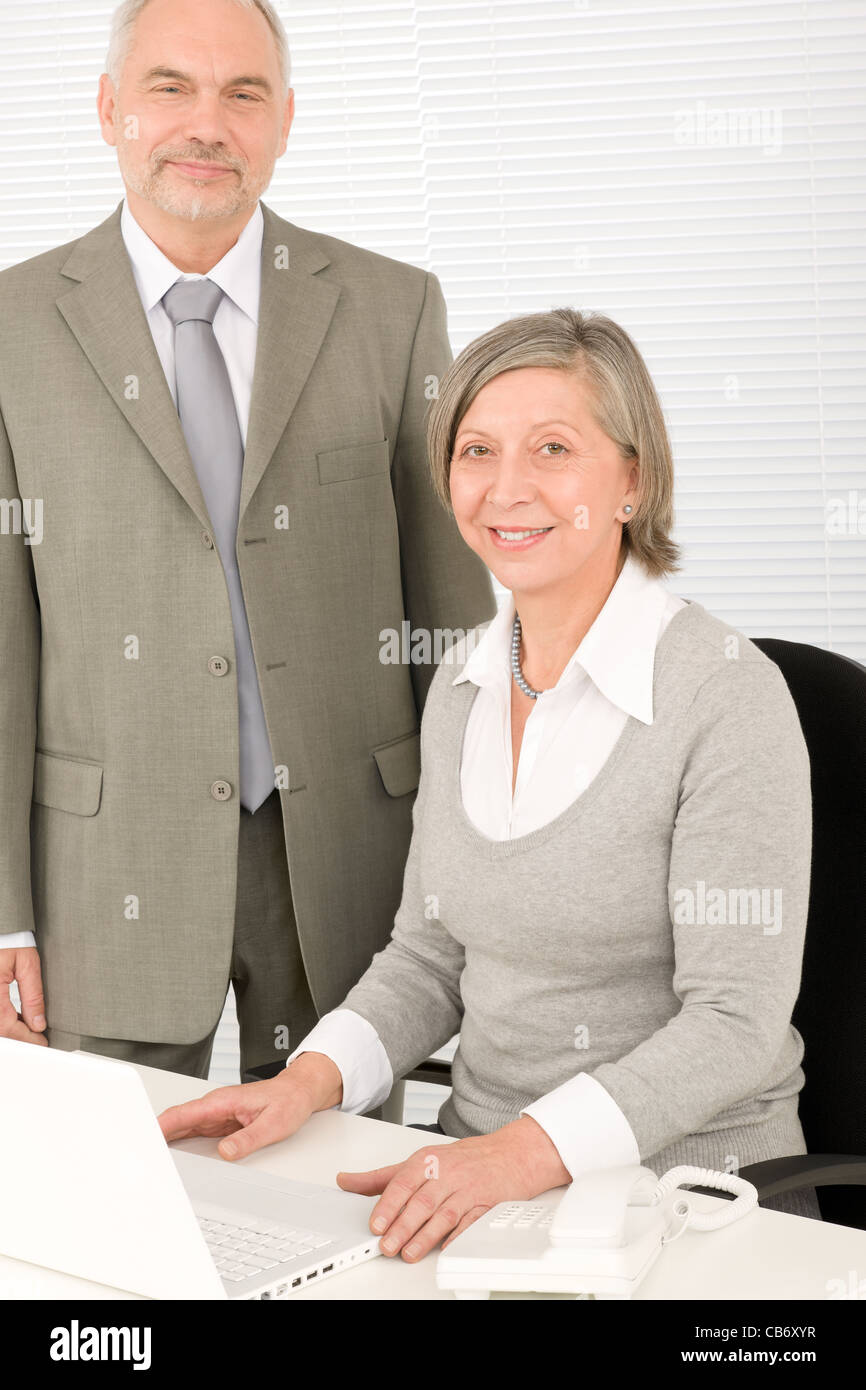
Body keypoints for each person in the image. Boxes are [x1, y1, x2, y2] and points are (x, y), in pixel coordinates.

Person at [159, 306, 823, 1260]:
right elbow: (429, 957)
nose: (506, 489)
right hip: (477, 1178)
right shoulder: (464, 684)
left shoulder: (726, 698)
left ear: (632, 479)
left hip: (684, 1198)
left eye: (553, 448)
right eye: (477, 450)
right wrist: (306, 1080)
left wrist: (518, 1155)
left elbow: (736, 1024)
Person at [0, 0, 495, 1083]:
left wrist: (472, 874)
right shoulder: (11, 328)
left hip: (348, 859)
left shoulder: (389, 308)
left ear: (283, 121)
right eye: (170, 87)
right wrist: (4, 919)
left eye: (243, 94)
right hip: (102, 862)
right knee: (112, 1217)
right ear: (108, 109)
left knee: (336, 1207)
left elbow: (452, 621)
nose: (206, 125)